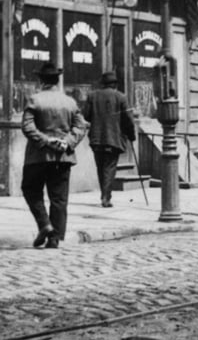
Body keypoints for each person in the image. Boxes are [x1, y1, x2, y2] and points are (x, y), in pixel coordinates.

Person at [21, 62, 88, 249]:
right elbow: (81, 126)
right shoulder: (70, 102)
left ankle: (45, 224)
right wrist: (67, 141)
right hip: (63, 156)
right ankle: (54, 238)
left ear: (41, 81)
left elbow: (27, 126)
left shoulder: (34, 100)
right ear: (57, 81)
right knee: (59, 198)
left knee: (30, 189)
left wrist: (46, 140)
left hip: (38, 156)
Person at [81, 70, 135, 207]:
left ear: (102, 84)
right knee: (110, 168)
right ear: (115, 84)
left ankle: (104, 194)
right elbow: (128, 119)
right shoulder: (121, 97)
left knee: (100, 167)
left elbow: (86, 116)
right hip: (114, 138)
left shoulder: (92, 96)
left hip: (97, 138)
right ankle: (106, 197)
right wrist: (131, 135)